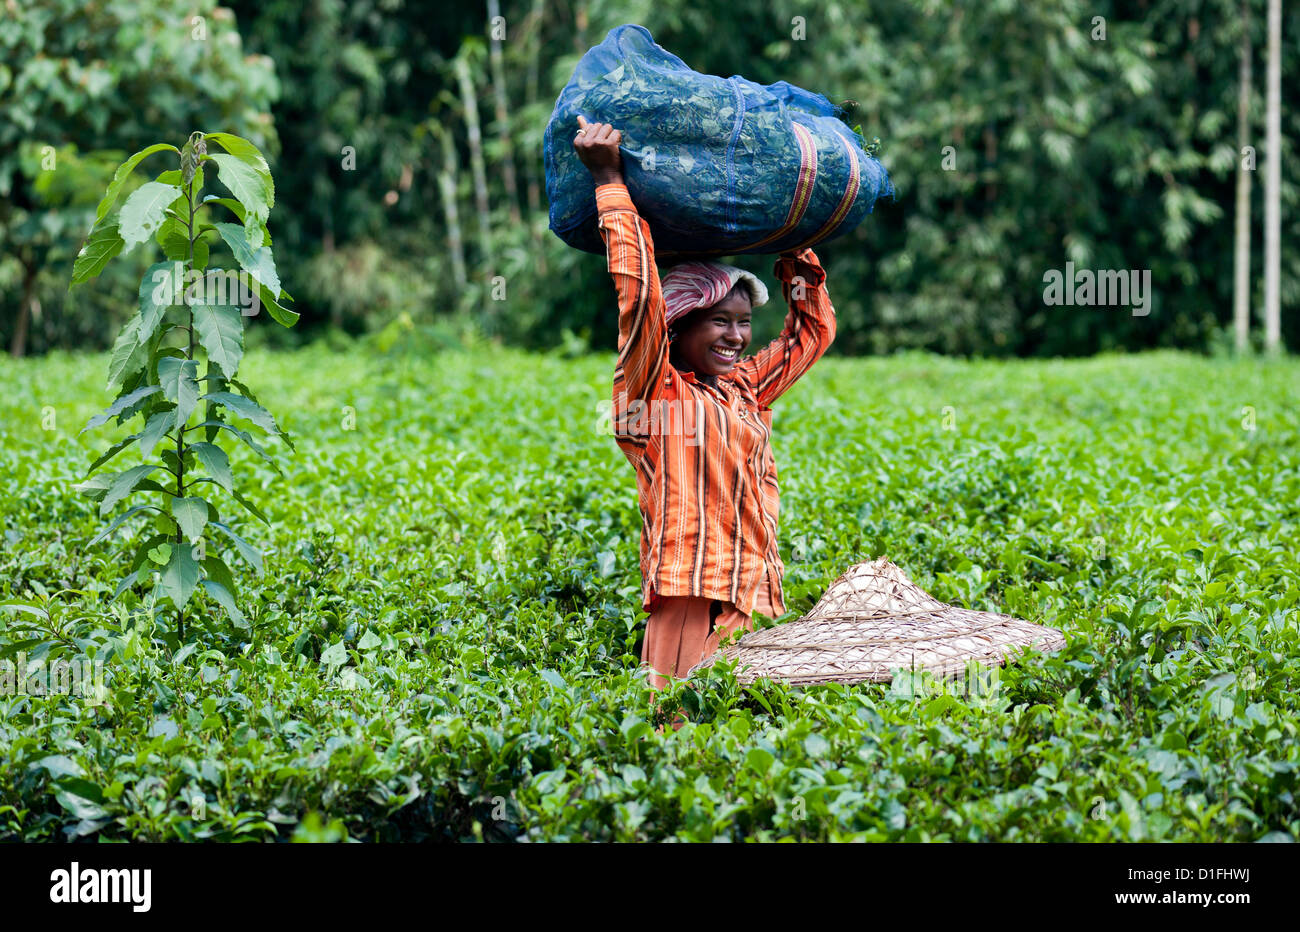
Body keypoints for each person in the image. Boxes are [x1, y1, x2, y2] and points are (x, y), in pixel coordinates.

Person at [572, 116, 837, 727]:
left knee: (746, 745)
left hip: (753, 597)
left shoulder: (745, 387)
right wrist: (610, 182)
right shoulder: (653, 389)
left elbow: (812, 332)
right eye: (720, 321)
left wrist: (794, 240)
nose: (737, 336)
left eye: (744, 322)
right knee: (677, 736)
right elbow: (638, 300)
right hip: (689, 595)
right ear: (680, 324)